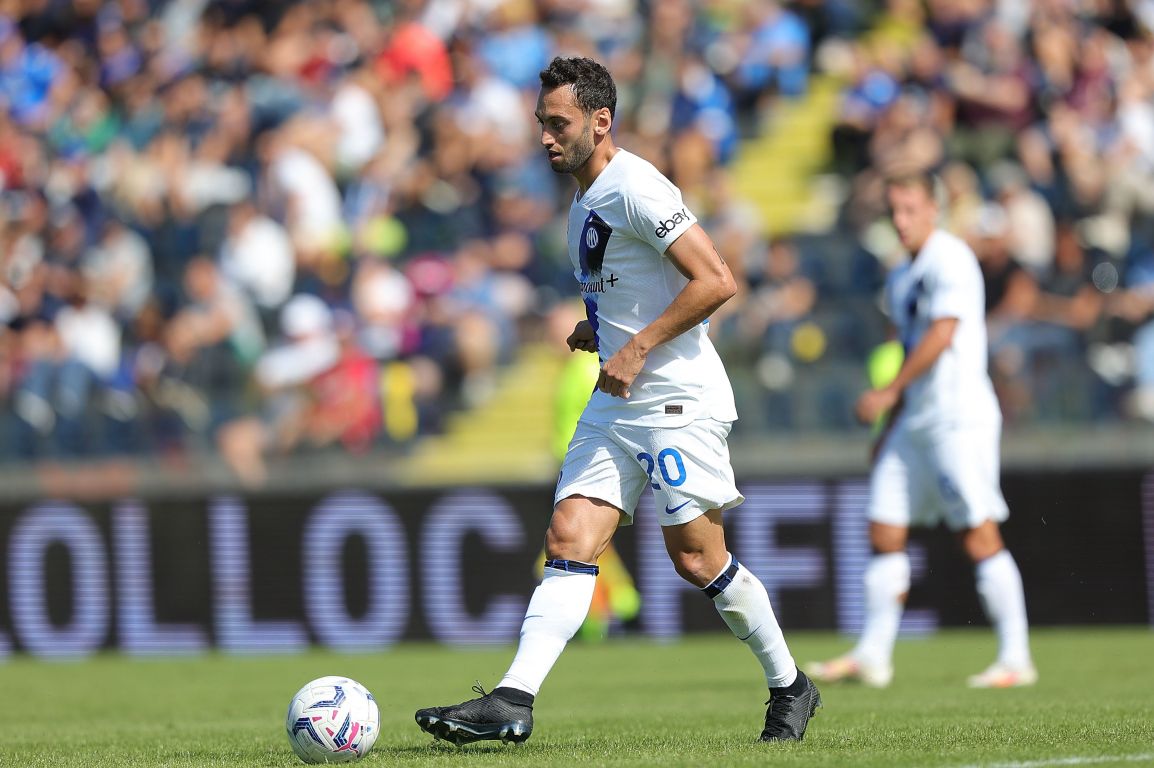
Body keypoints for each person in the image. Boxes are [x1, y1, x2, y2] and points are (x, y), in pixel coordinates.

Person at [414, 55, 821, 746]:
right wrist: (597, 329)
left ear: (601, 122)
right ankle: (513, 700)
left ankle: (791, 685)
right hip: (617, 399)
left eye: (558, 123)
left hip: (675, 399)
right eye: (541, 123)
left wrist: (635, 348)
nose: (545, 136)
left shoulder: (636, 186)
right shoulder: (581, 204)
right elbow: (630, 289)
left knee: (696, 558)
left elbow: (717, 280)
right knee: (569, 537)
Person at [806, 172, 1036, 689]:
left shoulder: (950, 258)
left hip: (958, 416)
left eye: (911, 210)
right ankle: (873, 656)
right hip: (914, 419)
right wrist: (891, 424)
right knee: (884, 530)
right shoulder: (902, 274)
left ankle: (1016, 657)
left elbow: (942, 333)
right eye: (895, 212)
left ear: (934, 210)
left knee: (979, 534)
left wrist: (888, 392)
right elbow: (913, 348)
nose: (902, 221)